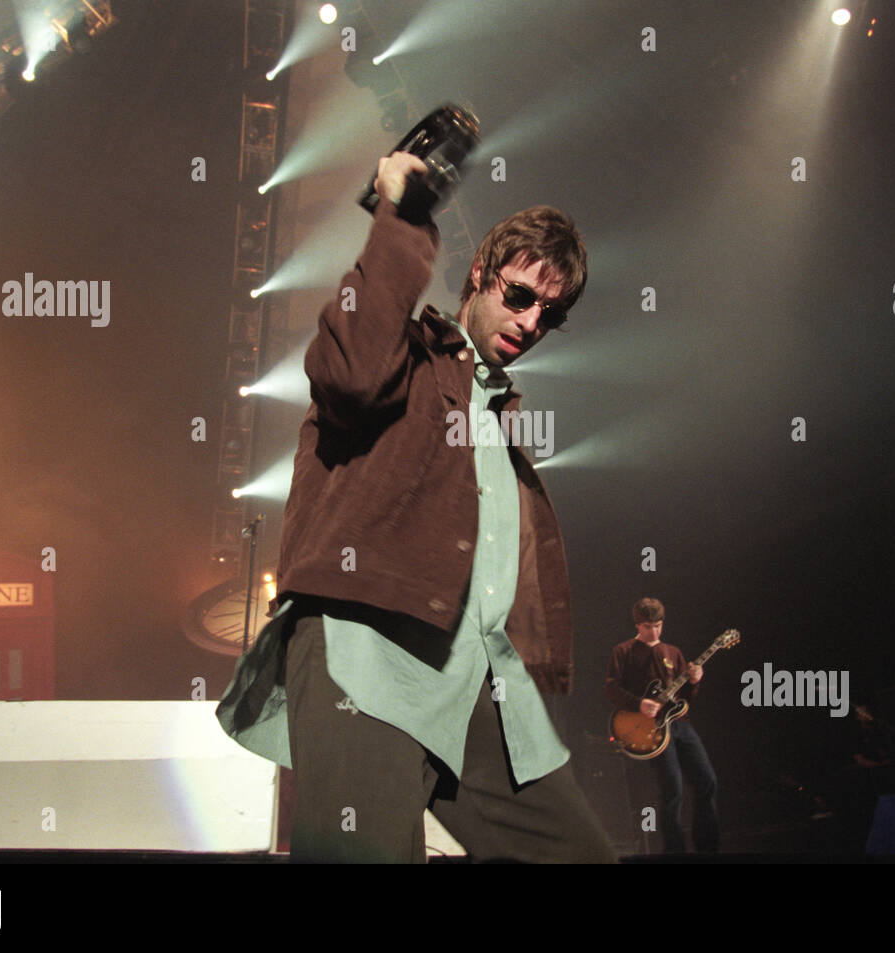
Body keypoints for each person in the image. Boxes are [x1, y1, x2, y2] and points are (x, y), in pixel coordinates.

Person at [216, 151, 615, 863]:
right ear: (479, 274)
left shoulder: (496, 422)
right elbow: (350, 370)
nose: (531, 321)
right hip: (371, 654)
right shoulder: (409, 357)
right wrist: (403, 217)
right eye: (520, 295)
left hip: (477, 684)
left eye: (550, 314)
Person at [605, 597, 721, 853]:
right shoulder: (623, 651)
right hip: (650, 728)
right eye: (648, 627)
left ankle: (709, 848)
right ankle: (675, 851)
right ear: (637, 625)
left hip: (679, 724)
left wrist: (694, 681)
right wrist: (639, 704)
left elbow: (685, 698)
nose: (654, 632)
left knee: (708, 781)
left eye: (658, 626)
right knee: (673, 790)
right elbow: (611, 689)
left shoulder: (673, 652)